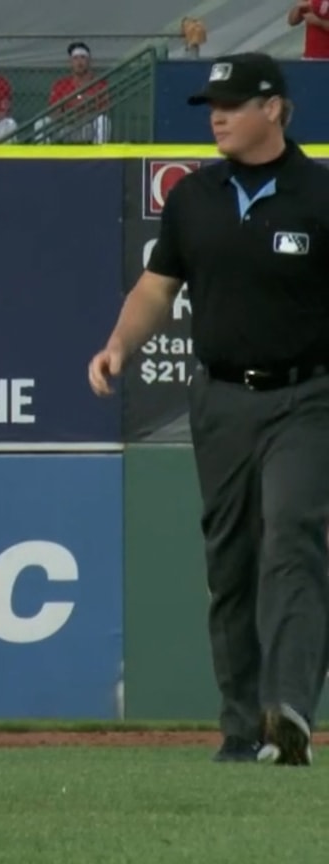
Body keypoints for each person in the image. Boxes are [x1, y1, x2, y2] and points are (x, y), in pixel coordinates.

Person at [87, 53, 328, 767]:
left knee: (292, 536)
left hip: (309, 396)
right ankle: (240, 723)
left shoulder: (321, 193)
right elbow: (158, 289)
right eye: (210, 105)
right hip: (220, 397)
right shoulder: (194, 197)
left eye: (232, 102)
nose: (216, 115)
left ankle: (289, 713)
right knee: (231, 562)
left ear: (275, 108)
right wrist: (118, 346)